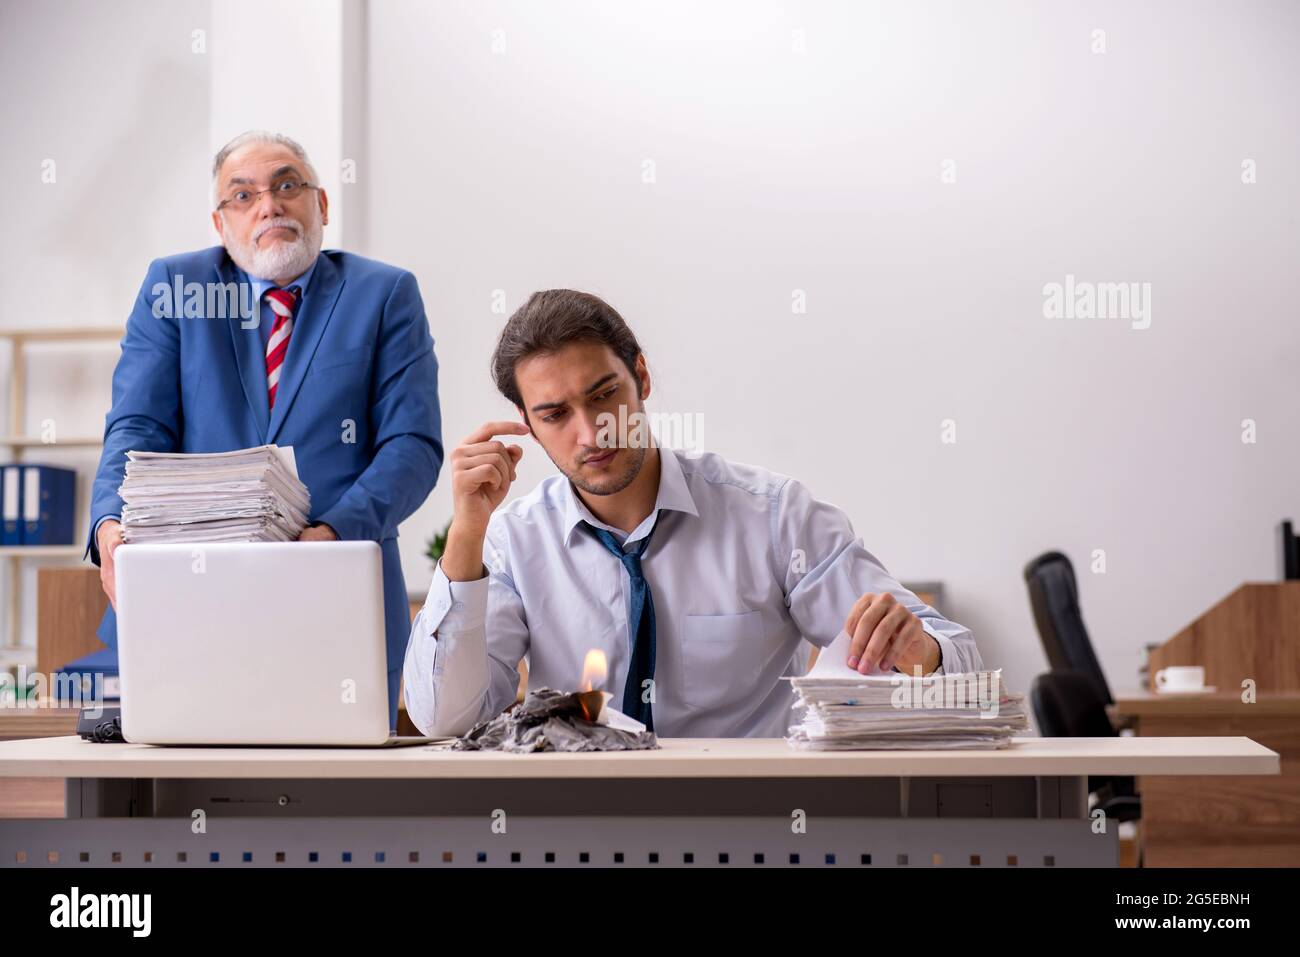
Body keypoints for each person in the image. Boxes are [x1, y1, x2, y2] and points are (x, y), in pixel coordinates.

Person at [403, 289, 979, 737]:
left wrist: (917, 653)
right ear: (527, 425)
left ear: (642, 377)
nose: (591, 432)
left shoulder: (772, 517)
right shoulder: (514, 540)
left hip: (752, 829)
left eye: (604, 395)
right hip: (576, 831)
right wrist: (468, 531)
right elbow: (444, 719)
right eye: (555, 415)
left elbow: (963, 672)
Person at [89, 131, 443, 729]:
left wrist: (333, 531)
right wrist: (108, 523)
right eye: (243, 195)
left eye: (286, 185)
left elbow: (412, 445)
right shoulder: (176, 288)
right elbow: (136, 426)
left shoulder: (384, 294)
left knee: (337, 796)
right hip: (190, 594)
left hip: (340, 593)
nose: (269, 205)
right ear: (220, 222)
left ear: (321, 204)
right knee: (178, 790)